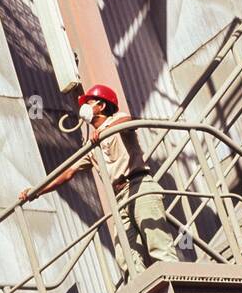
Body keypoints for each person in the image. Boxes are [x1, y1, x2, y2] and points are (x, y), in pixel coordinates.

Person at [19, 83, 180, 282]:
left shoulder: (117, 119)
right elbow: (68, 172)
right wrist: (37, 191)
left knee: (157, 242)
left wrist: (105, 131)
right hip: (120, 197)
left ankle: (178, 289)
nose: (84, 106)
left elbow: (130, 122)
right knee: (126, 255)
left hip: (139, 185)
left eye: (90, 102)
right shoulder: (91, 146)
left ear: (102, 106)